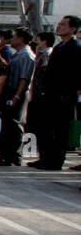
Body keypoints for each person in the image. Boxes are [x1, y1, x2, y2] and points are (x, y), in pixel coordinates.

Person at [29, 15, 79, 171]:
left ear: (72, 29)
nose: (59, 27)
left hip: (64, 97)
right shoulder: (59, 47)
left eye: (63, 25)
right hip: (49, 95)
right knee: (45, 128)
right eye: (59, 24)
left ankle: (55, 162)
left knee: (59, 131)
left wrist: (69, 93)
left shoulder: (75, 48)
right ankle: (44, 158)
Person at [0, 28, 35, 166]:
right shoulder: (17, 54)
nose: (11, 40)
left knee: (15, 124)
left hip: (17, 92)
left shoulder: (26, 55)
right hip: (10, 91)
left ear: (21, 39)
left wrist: (17, 96)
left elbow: (24, 79)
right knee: (7, 123)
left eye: (14, 37)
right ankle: (5, 152)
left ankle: (14, 154)